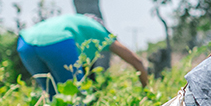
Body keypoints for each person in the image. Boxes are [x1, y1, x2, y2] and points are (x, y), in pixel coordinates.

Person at [17, 13, 149, 96]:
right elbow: (135, 60)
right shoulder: (99, 29)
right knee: (76, 96)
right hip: (59, 42)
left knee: (52, 97)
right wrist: (147, 91)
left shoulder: (73, 20)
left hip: (25, 43)